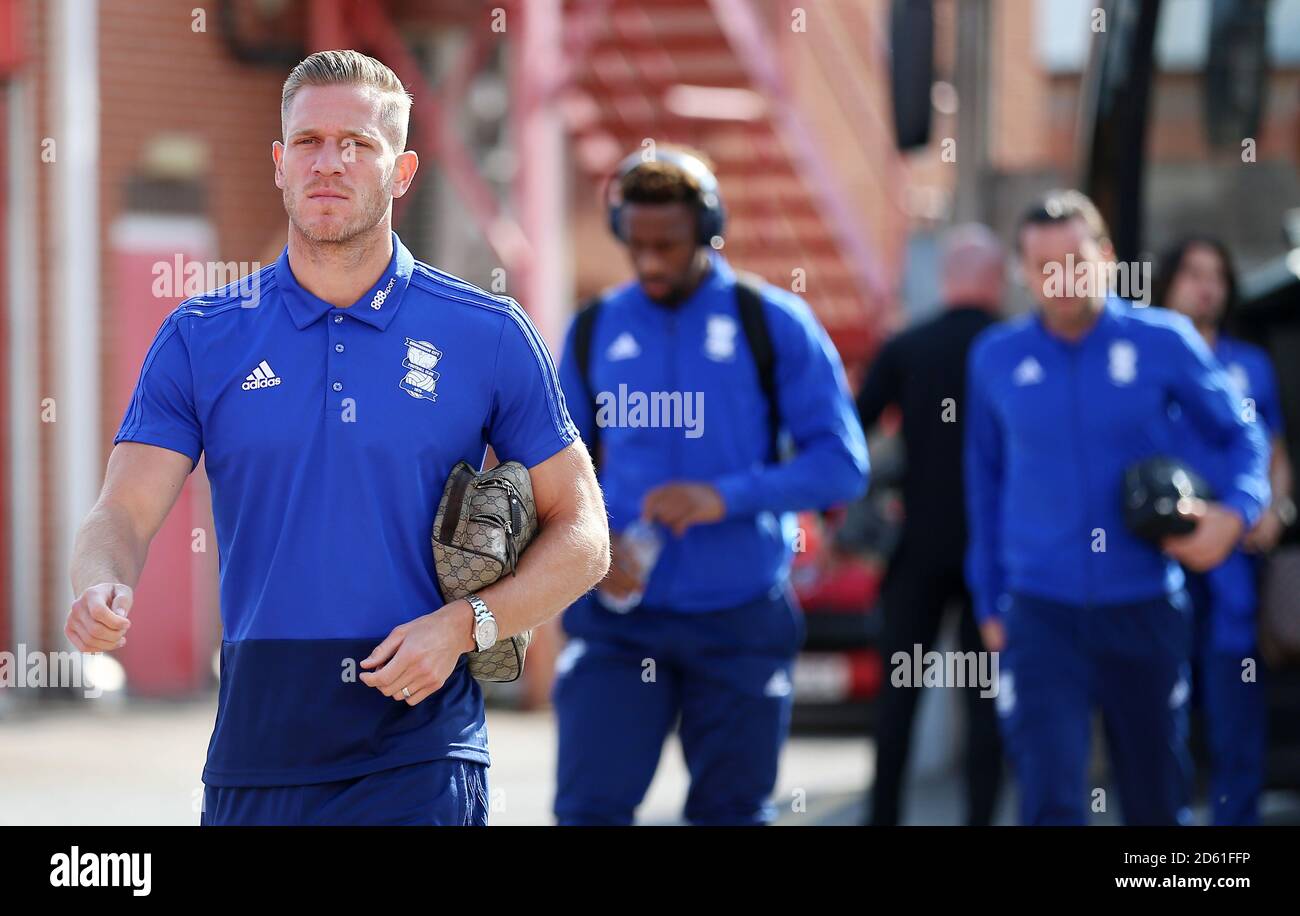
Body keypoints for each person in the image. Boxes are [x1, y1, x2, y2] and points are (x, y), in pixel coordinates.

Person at [64, 50, 609, 826]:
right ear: (280, 164)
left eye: (357, 144)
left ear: (402, 171)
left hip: (420, 750)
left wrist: (468, 626)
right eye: (310, 143)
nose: (330, 163)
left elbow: (584, 534)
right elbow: (120, 512)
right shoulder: (202, 336)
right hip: (256, 755)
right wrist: (98, 581)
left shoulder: (487, 333)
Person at [551, 147, 869, 825]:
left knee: (732, 812)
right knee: (588, 811)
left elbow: (842, 465)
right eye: (637, 244)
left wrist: (725, 497)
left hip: (739, 615)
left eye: (668, 244)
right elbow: (548, 468)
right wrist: (593, 542)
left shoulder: (773, 324)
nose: (651, 262)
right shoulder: (593, 329)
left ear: (708, 231)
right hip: (618, 623)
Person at [964, 190, 1270, 825]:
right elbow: (984, 482)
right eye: (1043, 266)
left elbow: (1241, 433)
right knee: (1050, 798)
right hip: (1040, 612)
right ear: (1022, 271)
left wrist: (1237, 512)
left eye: (1075, 261)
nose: (1061, 279)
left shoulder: (1163, 340)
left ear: (1106, 258)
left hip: (1145, 604)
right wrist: (990, 600)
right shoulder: (996, 357)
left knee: (1155, 800)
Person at [856, 224, 1005, 826]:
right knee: (985, 702)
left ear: (945, 279)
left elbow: (849, 431)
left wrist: (865, 509)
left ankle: (883, 818)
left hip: (918, 548)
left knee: (898, 700)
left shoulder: (908, 347)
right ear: (998, 279)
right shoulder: (1012, 348)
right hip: (992, 553)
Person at [1153, 235, 1294, 824]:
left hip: (1235, 559)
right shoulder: (1142, 357)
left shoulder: (1249, 364)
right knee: (1159, 712)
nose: (1205, 286)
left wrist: (1275, 508)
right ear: (1168, 282)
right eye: (1192, 273)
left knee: (1235, 706)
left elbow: (1273, 449)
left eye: (1216, 275)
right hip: (1160, 557)